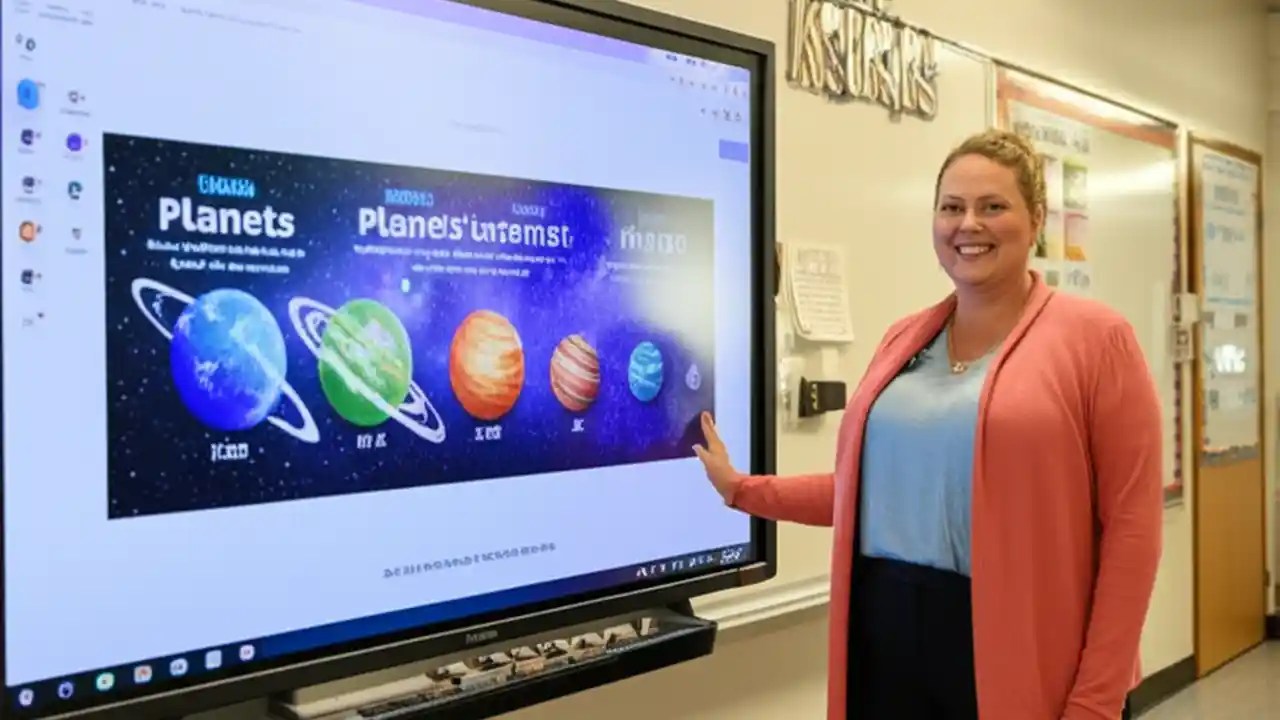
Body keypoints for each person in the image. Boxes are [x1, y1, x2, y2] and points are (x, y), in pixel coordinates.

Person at [694, 128, 1162, 720]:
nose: (969, 224)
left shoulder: (1097, 340)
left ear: (1037, 217)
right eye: (952, 207)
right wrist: (743, 490)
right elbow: (868, 490)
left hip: (1017, 644)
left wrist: (1096, 700)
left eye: (993, 206)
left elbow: (1133, 531)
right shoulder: (903, 341)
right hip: (885, 631)